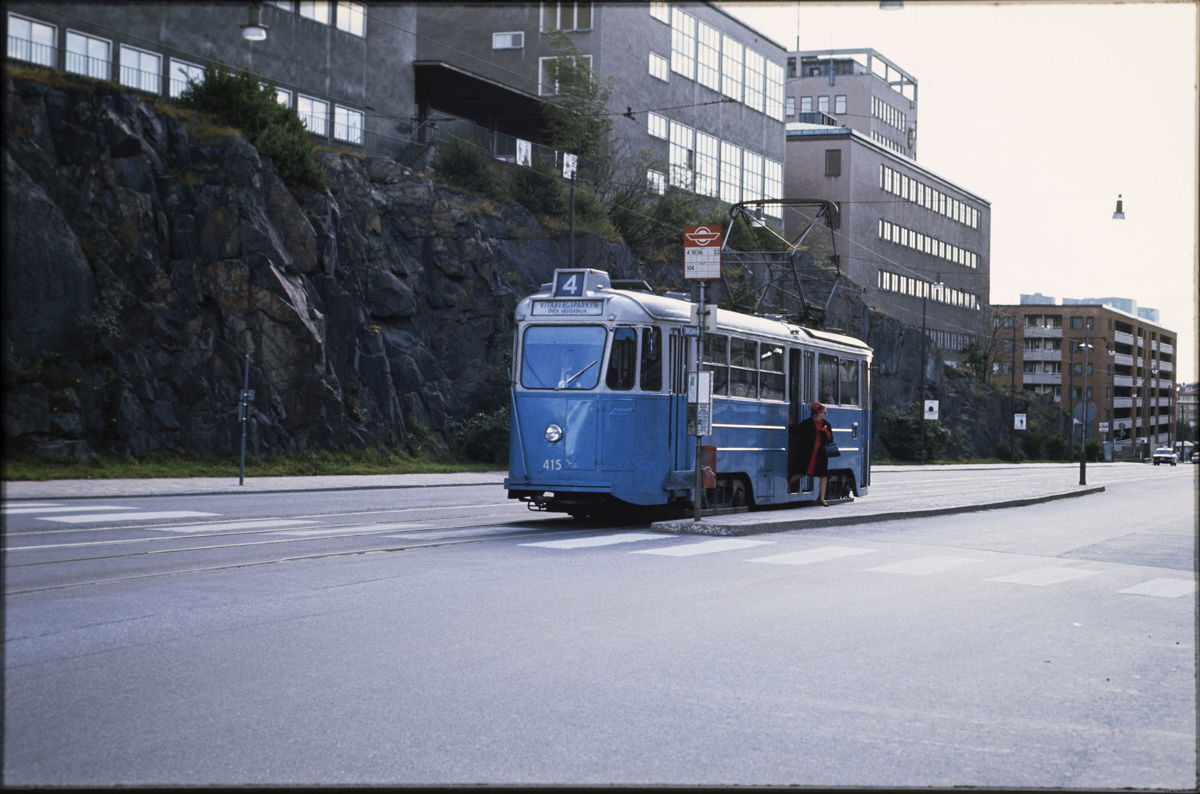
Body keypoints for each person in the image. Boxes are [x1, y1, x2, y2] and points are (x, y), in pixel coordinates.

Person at [791, 401, 834, 505]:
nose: (825, 414)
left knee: (823, 476)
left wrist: (826, 432)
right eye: (823, 412)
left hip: (821, 455)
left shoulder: (826, 425)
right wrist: (789, 423)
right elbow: (796, 430)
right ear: (817, 413)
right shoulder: (808, 423)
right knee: (801, 473)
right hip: (808, 454)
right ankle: (787, 486)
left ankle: (822, 498)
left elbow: (831, 439)